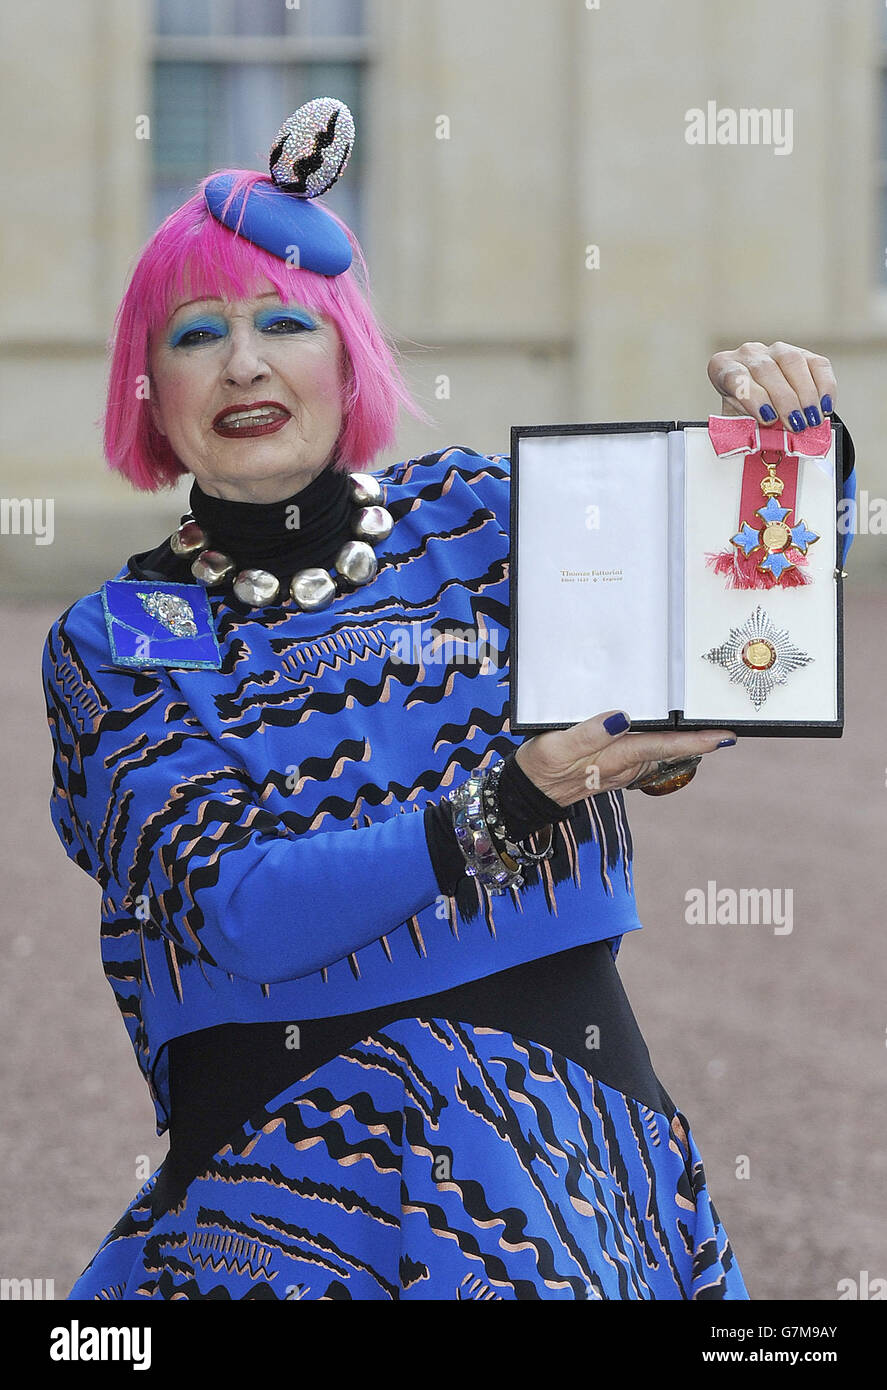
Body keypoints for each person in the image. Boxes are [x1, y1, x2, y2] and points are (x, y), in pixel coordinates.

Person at [41, 99, 855, 1301]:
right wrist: (517, 798)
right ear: (149, 388)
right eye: (195, 333)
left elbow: (716, 651)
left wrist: (794, 457)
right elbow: (244, 913)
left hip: (572, 1170)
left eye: (284, 322)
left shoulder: (478, 517)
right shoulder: (123, 634)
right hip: (292, 1199)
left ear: (346, 355)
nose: (245, 362)